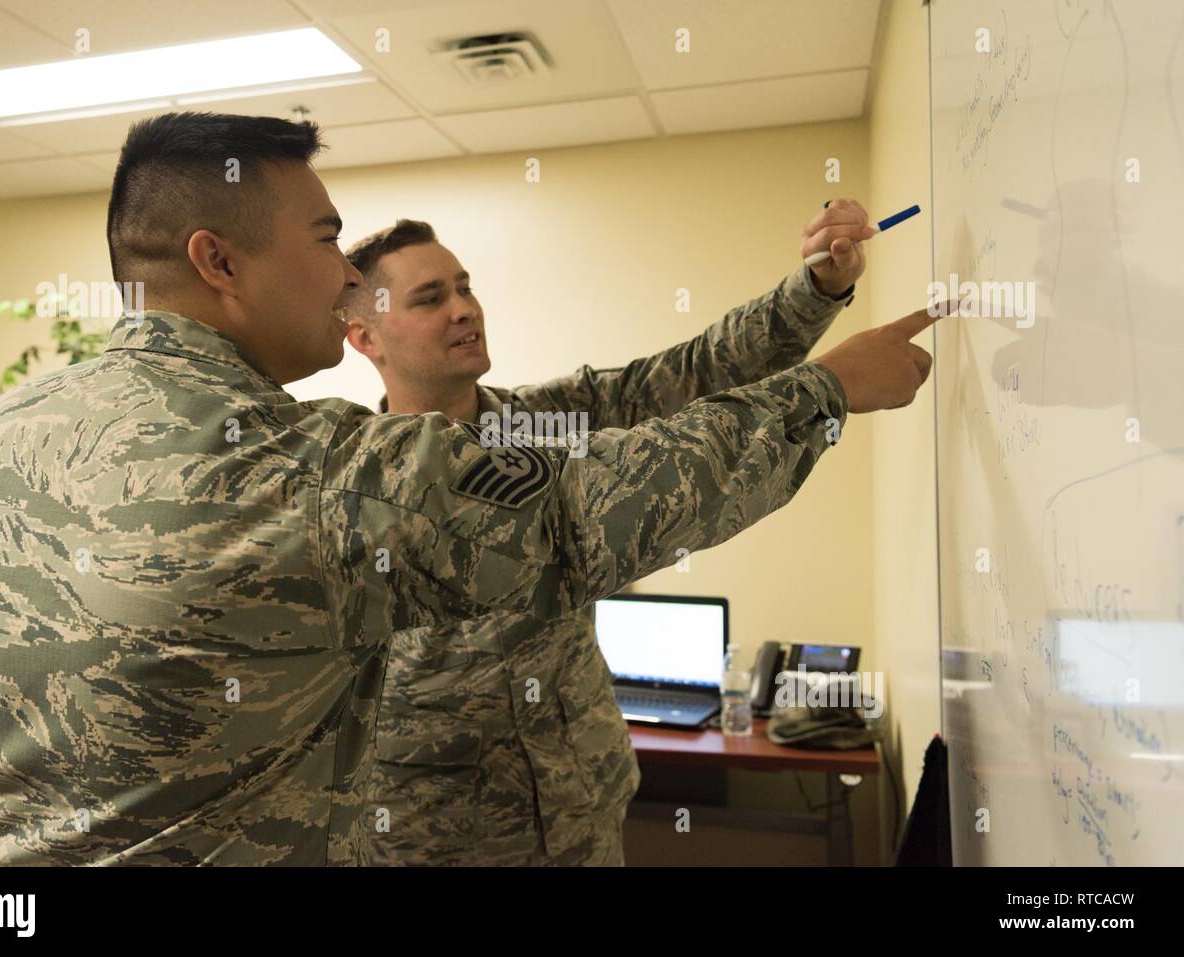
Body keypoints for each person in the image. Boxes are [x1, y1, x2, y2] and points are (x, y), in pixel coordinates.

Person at [0, 112, 938, 865]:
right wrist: (825, 396)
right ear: (221, 263)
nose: (343, 270)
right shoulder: (313, 468)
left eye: (464, 287)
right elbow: (584, 513)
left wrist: (815, 300)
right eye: (327, 240)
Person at [342, 207, 872, 865]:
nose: (463, 308)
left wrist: (815, 289)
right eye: (430, 298)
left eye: (465, 286)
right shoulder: (352, 488)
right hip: (442, 836)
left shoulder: (546, 425)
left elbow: (695, 372)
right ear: (366, 337)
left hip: (581, 806)